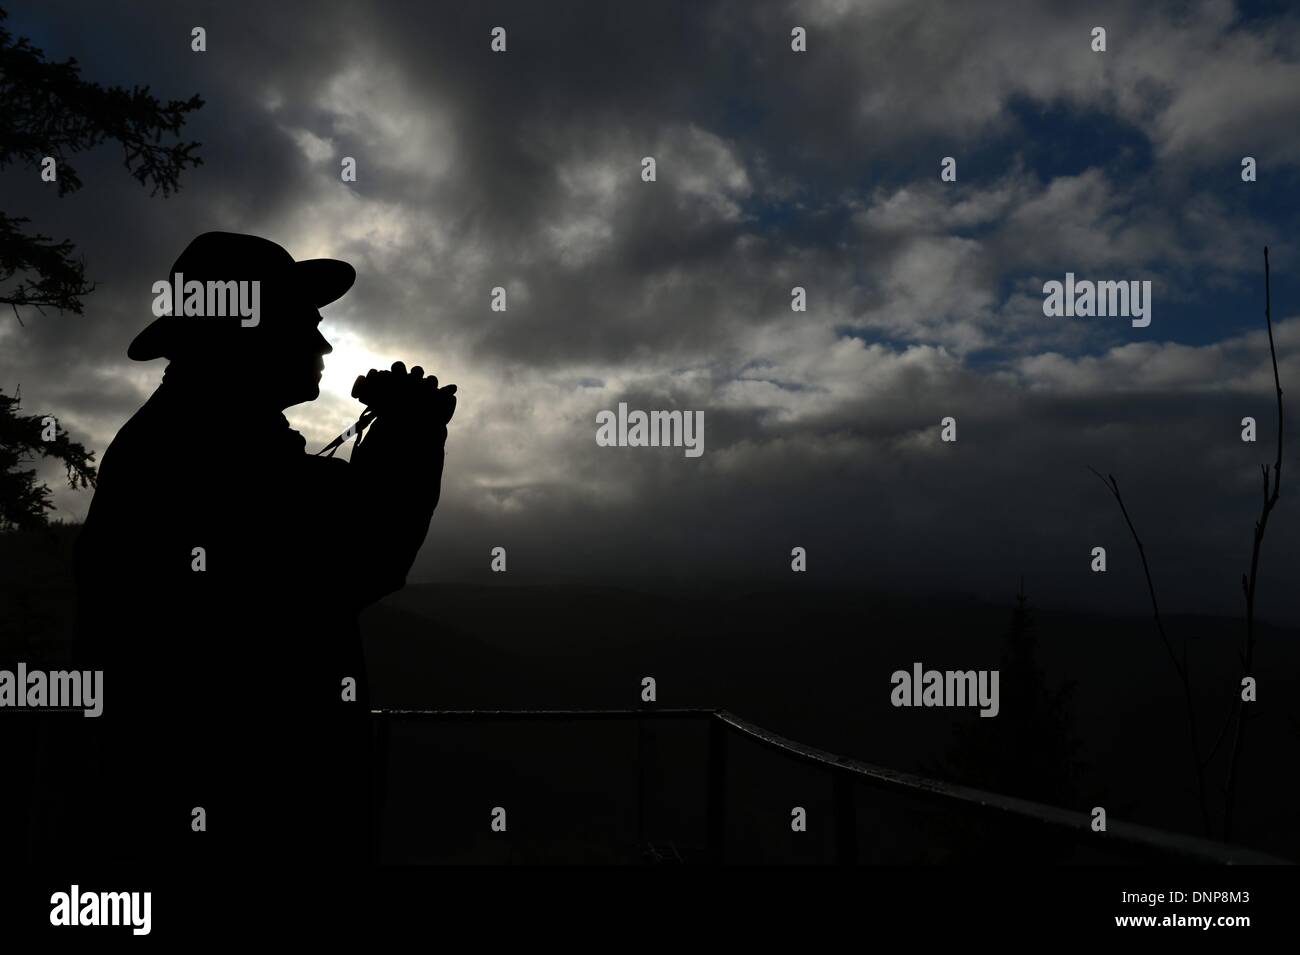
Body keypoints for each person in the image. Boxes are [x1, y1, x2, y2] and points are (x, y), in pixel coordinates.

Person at [71, 231, 455, 868]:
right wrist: (410, 438)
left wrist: (402, 438)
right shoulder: (208, 451)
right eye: (306, 322)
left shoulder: (190, 437)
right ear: (248, 331)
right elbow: (361, 556)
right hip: (240, 823)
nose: (323, 342)